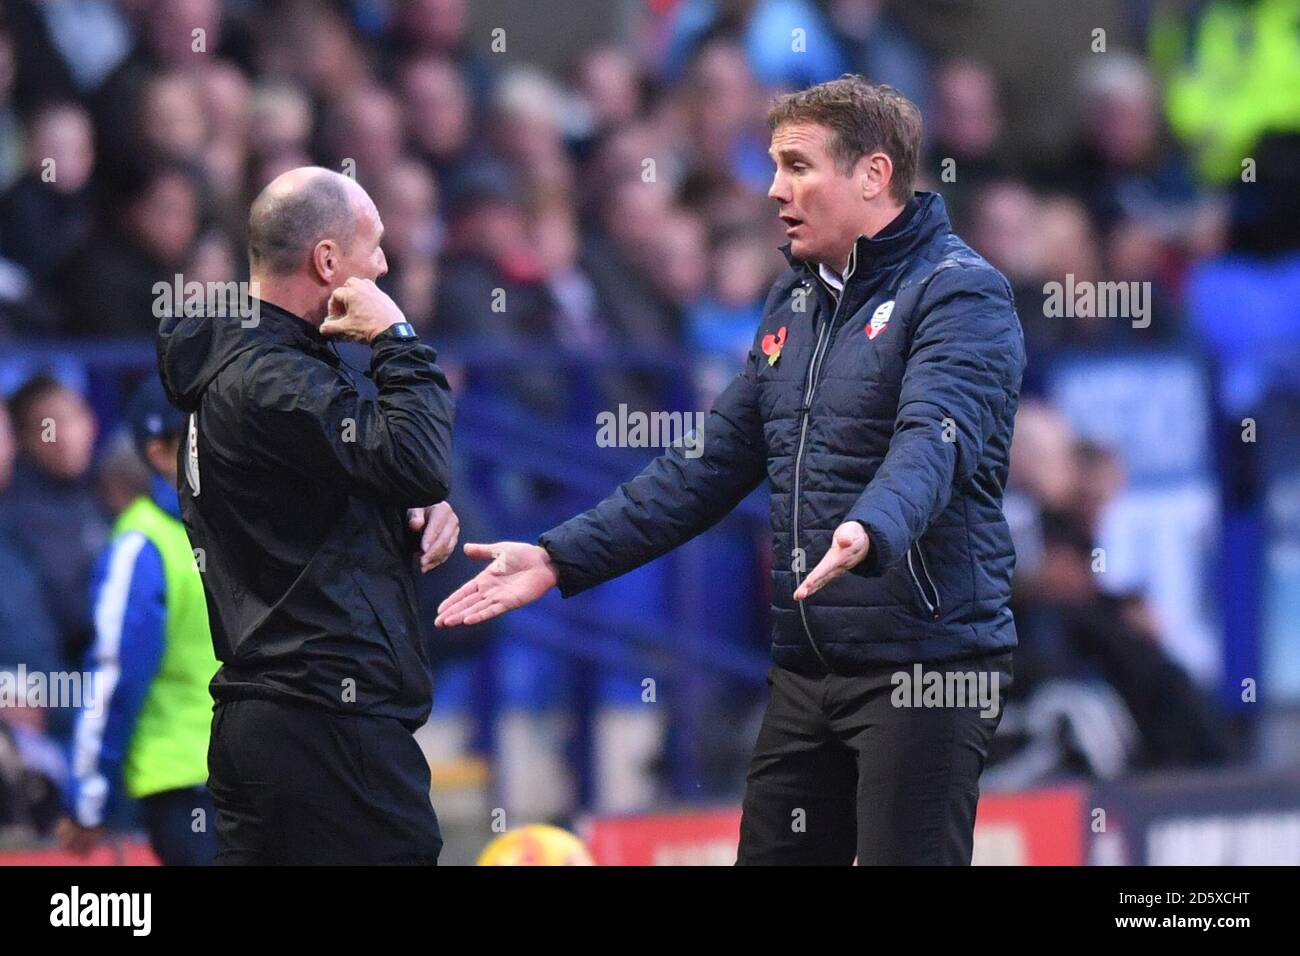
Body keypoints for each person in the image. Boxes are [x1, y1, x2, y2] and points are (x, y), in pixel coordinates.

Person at [437, 77, 1027, 865]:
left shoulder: (962, 293)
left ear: (873, 175)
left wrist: (873, 525)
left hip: (925, 663)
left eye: (797, 166)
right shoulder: (796, 297)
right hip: (808, 661)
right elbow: (707, 465)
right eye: (774, 165)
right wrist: (558, 555)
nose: (775, 188)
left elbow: (936, 438)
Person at [156, 166, 458, 864]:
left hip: (277, 723)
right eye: (373, 247)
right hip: (328, 727)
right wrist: (399, 339)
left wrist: (408, 501)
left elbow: (381, 469)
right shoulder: (270, 378)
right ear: (328, 260)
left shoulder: (252, 368)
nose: (384, 266)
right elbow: (418, 454)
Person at [56, 378, 220, 865]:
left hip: (234, 779)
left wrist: (89, 798)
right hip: (194, 784)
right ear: (159, 451)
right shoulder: (145, 548)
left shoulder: (153, 543)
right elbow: (115, 680)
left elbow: (112, 678)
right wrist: (91, 795)